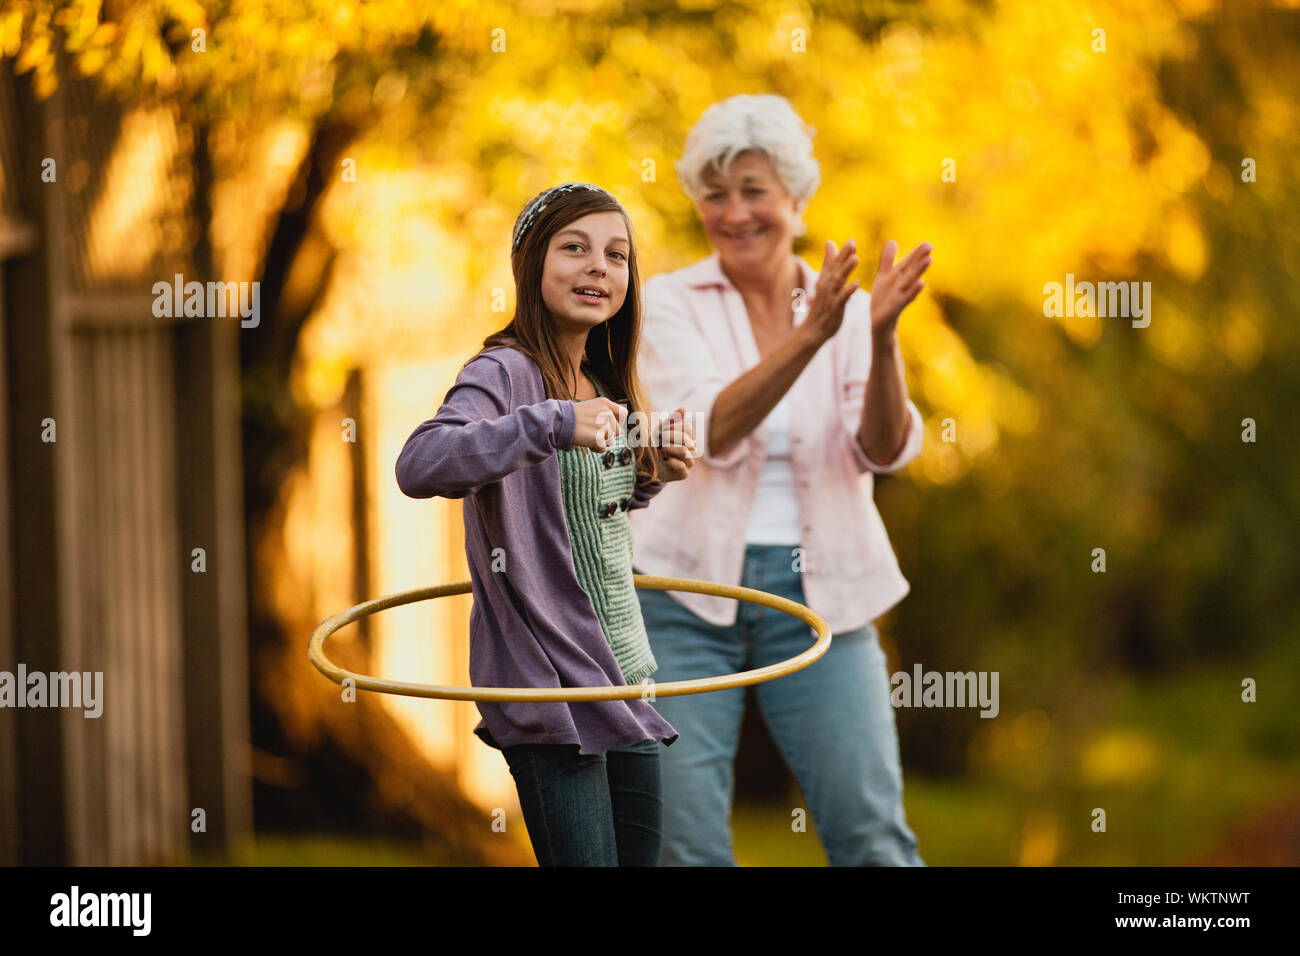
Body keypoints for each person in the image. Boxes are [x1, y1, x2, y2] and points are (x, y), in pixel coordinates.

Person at [629, 94, 933, 866]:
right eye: (714, 193)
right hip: (683, 596)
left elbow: (882, 448)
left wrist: (881, 339)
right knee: (684, 850)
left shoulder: (850, 312)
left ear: (795, 198)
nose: (734, 213)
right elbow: (706, 431)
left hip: (825, 594)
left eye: (753, 191)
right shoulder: (667, 303)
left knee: (872, 838)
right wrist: (810, 336)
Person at [395, 182, 697, 866]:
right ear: (531, 263)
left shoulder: (604, 381)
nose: (598, 267)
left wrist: (654, 468)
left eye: (616, 255)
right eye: (575, 248)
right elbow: (421, 463)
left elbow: (582, 519)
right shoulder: (503, 373)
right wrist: (552, 423)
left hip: (625, 674)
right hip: (553, 685)